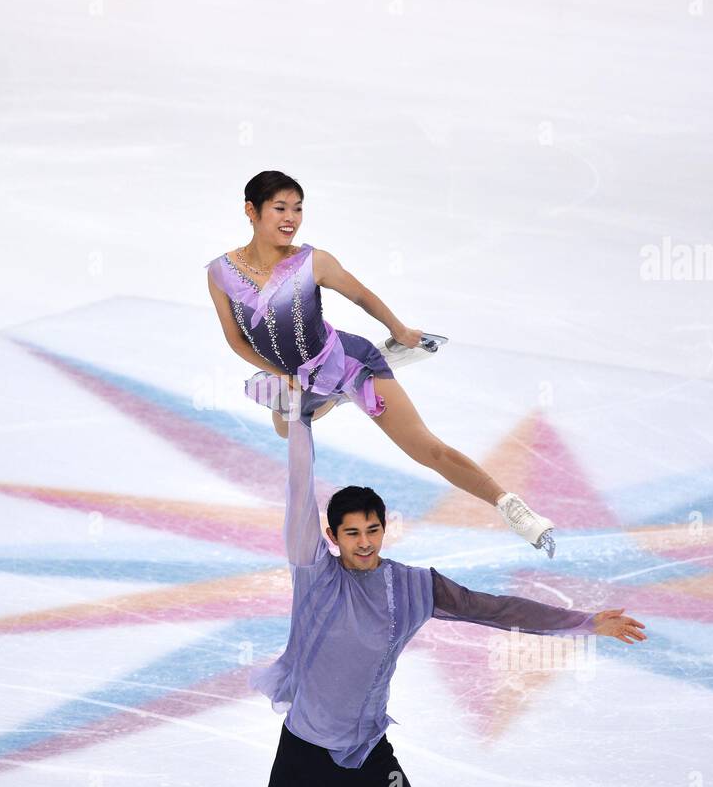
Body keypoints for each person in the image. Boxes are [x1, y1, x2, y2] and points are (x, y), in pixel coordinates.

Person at [250, 387, 647, 787]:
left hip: (369, 756)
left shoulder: (412, 586)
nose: (364, 542)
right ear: (332, 535)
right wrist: (299, 420)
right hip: (304, 755)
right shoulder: (316, 576)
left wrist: (586, 622)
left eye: (373, 529)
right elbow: (299, 488)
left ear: (384, 529)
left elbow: (496, 609)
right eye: (352, 533)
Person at [206, 170, 557, 557]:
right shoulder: (221, 273)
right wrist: (280, 376)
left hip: (350, 362)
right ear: (250, 211)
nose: (291, 217)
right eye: (280, 208)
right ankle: (330, 395)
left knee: (426, 449)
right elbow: (235, 339)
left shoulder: (313, 262)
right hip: (297, 380)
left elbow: (361, 295)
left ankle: (510, 505)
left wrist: (400, 329)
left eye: (298, 208)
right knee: (284, 429)